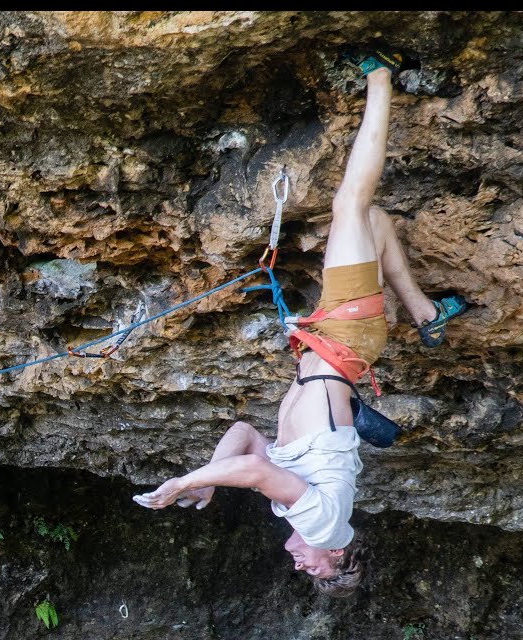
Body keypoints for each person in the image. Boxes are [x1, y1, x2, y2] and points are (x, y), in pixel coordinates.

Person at [132, 50, 469, 597]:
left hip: (338, 339)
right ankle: (382, 75)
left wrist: (210, 483)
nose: (299, 567)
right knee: (350, 204)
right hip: (344, 333)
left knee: (373, 221)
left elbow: (244, 438)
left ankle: (425, 312)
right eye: (316, 571)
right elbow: (258, 474)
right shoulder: (325, 526)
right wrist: (186, 482)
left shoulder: (300, 507)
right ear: (337, 555)